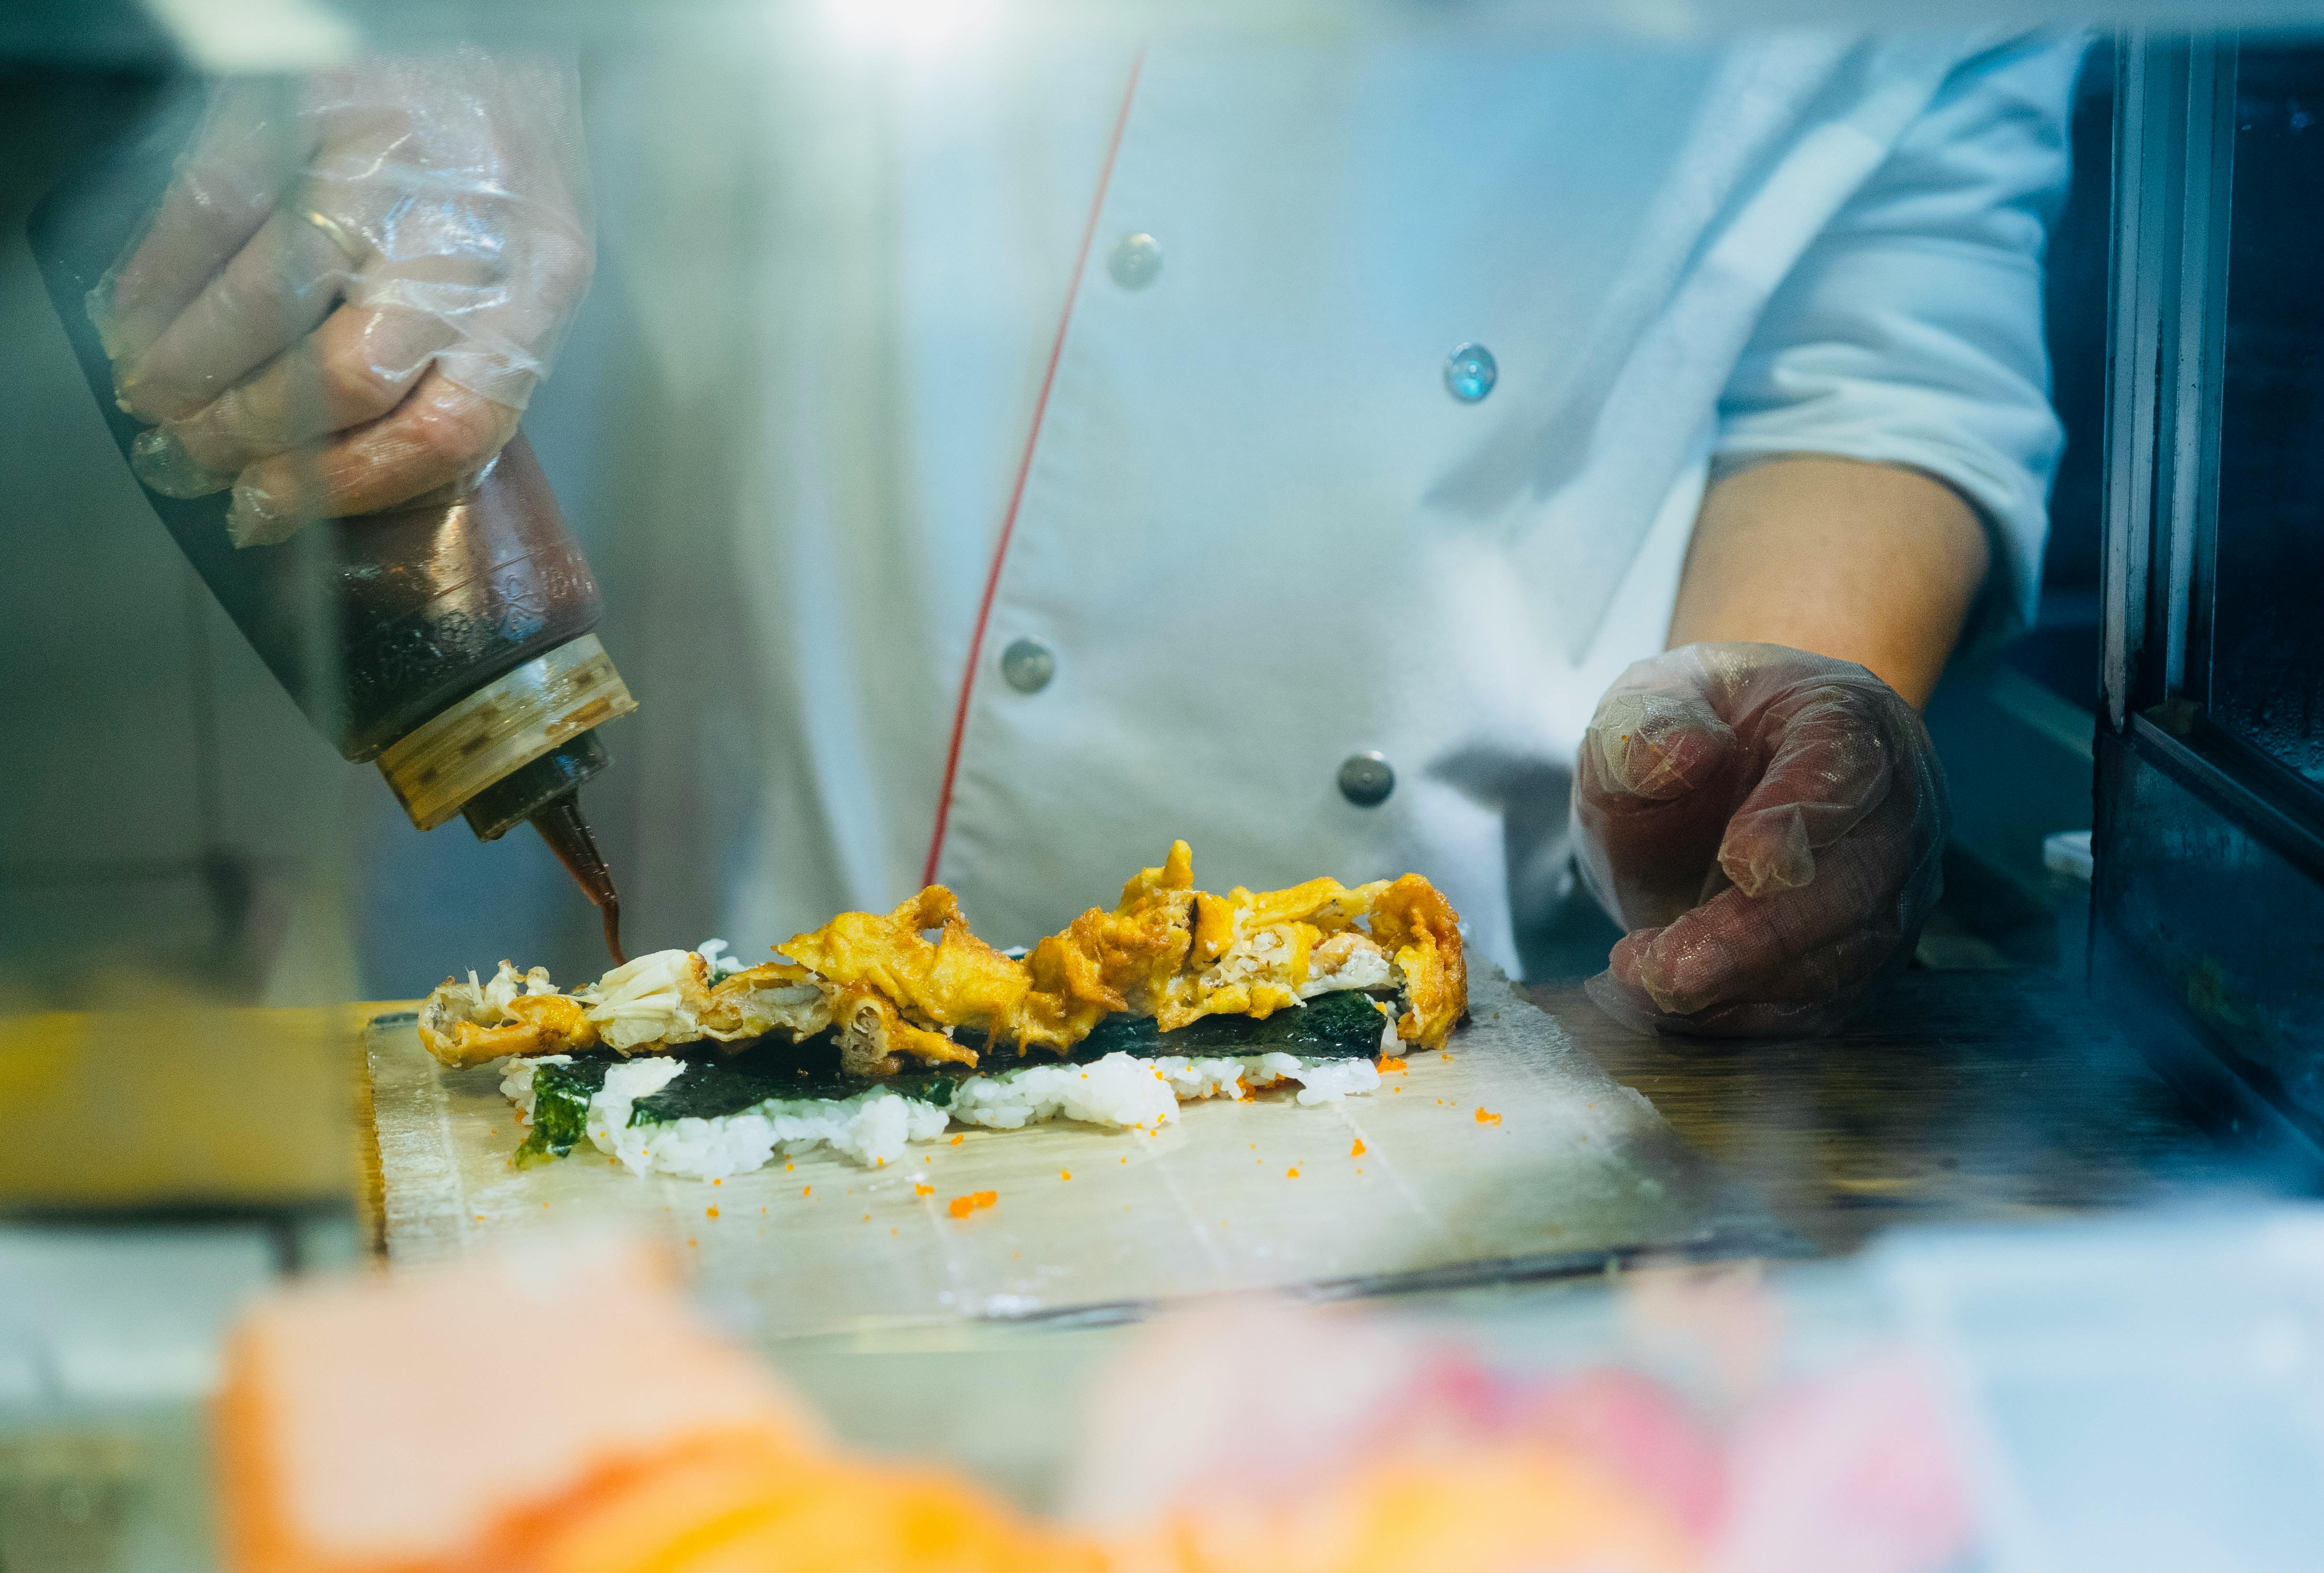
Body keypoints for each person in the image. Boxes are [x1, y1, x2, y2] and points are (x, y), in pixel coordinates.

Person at [91, 29, 2081, 1037]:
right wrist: (458, 30)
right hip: (761, 851)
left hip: (1452, 1052)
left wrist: (1765, 733)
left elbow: (1879, 369)